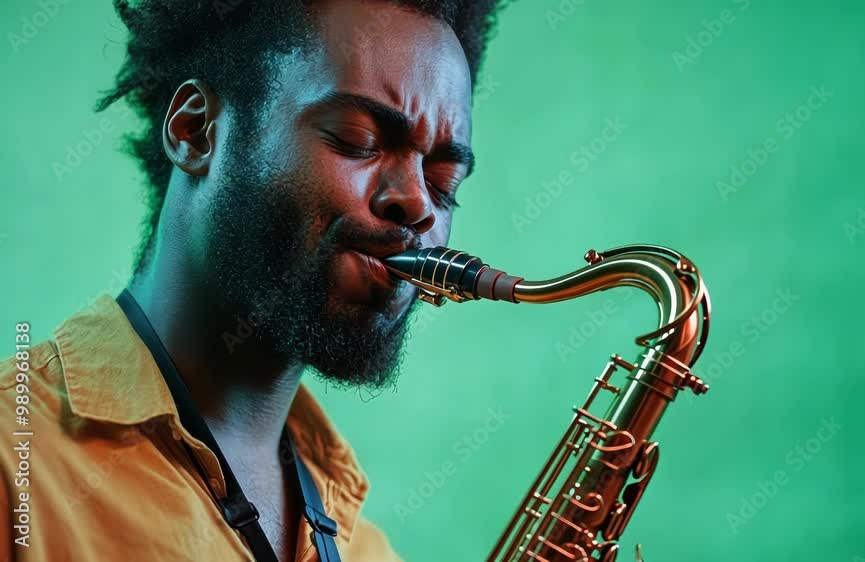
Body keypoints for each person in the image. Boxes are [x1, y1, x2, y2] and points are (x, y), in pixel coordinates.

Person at [0, 0, 508, 560]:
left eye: (442, 181)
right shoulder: (14, 464)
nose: (416, 206)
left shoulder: (369, 550)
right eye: (358, 140)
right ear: (194, 132)